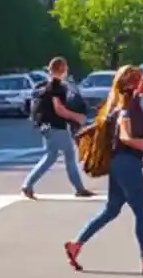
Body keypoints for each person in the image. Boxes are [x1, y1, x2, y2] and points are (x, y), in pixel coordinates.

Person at [64, 65, 143, 275]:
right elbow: (125, 137)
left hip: (119, 162)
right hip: (127, 162)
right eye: (142, 79)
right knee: (142, 211)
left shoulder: (118, 103)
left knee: (112, 208)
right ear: (132, 83)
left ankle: (76, 244)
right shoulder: (128, 107)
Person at [21, 57, 93, 200]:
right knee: (69, 156)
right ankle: (79, 189)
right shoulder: (57, 87)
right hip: (56, 126)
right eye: (65, 68)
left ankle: (28, 185)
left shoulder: (45, 85)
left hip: (46, 126)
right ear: (61, 69)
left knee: (51, 156)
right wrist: (77, 117)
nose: (67, 71)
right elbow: (59, 109)